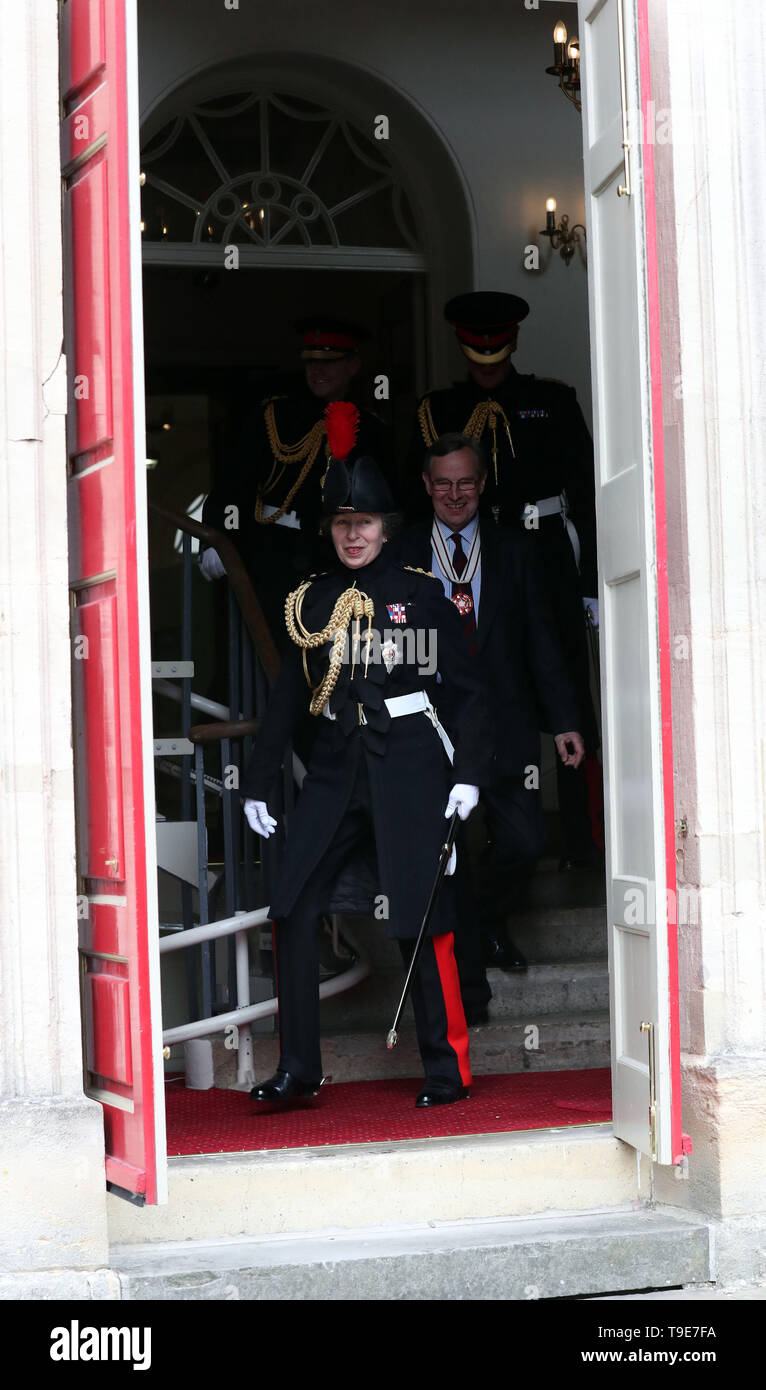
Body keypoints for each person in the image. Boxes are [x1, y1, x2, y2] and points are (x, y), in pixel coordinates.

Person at [240, 405, 492, 1109]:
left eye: (366, 524)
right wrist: (261, 781)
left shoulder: (421, 596)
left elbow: (471, 696)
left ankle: (449, 1069)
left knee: (423, 913)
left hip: (410, 761)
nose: (353, 535)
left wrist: (469, 775)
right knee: (290, 903)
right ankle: (298, 1070)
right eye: (343, 525)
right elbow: (288, 700)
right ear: (331, 530)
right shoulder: (310, 602)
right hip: (334, 764)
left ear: (387, 527)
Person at [411, 291, 602, 870]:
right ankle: (462, 840)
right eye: (477, 347)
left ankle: (582, 844)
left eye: (497, 345)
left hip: (542, 550)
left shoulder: (551, 399)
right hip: (471, 555)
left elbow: (588, 494)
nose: (488, 357)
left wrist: (591, 579)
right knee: (473, 678)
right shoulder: (436, 409)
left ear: (513, 341)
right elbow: (426, 491)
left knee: (564, 685)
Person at [395, 433, 584, 1004]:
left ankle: (485, 921)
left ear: (482, 485)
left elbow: (542, 644)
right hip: (430, 725)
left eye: (467, 483)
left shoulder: (514, 550)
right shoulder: (400, 551)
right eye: (444, 483)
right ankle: (467, 971)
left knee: (524, 842)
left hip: (505, 721)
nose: (456, 495)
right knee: (439, 852)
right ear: (427, 486)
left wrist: (566, 720)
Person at [201, 315, 392, 641]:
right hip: (273, 553)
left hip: (338, 559)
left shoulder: (371, 428)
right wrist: (218, 536)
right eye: (311, 363)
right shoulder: (276, 415)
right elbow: (237, 479)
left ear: (353, 365)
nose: (317, 372)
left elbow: (384, 501)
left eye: (329, 363)